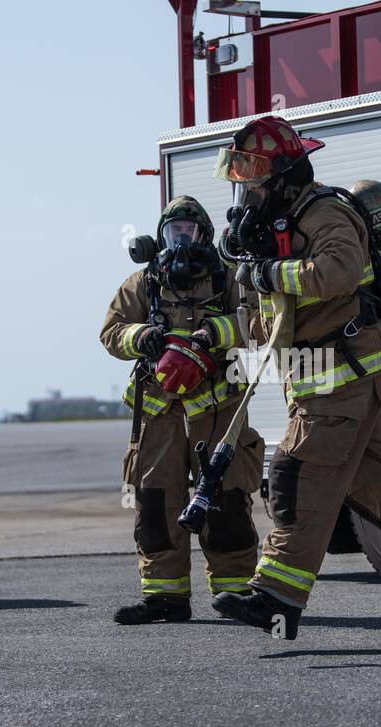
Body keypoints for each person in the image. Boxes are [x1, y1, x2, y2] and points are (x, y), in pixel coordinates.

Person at [209, 115, 381, 641]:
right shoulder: (282, 225)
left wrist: (269, 272)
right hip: (321, 380)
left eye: (254, 174)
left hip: (341, 378)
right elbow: (278, 319)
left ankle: (276, 599)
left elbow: (335, 274)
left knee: (296, 478)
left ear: (285, 174)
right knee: (379, 485)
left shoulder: (325, 212)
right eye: (240, 175)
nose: (247, 188)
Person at [99, 197, 264, 624]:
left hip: (218, 409)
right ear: (161, 236)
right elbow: (111, 331)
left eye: (188, 232)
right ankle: (164, 598)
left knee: (225, 500)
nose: (181, 240)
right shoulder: (144, 282)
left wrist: (216, 331)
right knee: (155, 502)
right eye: (173, 233)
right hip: (160, 414)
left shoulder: (230, 279)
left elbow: (262, 323)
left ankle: (235, 594)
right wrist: (143, 336)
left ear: (205, 236)